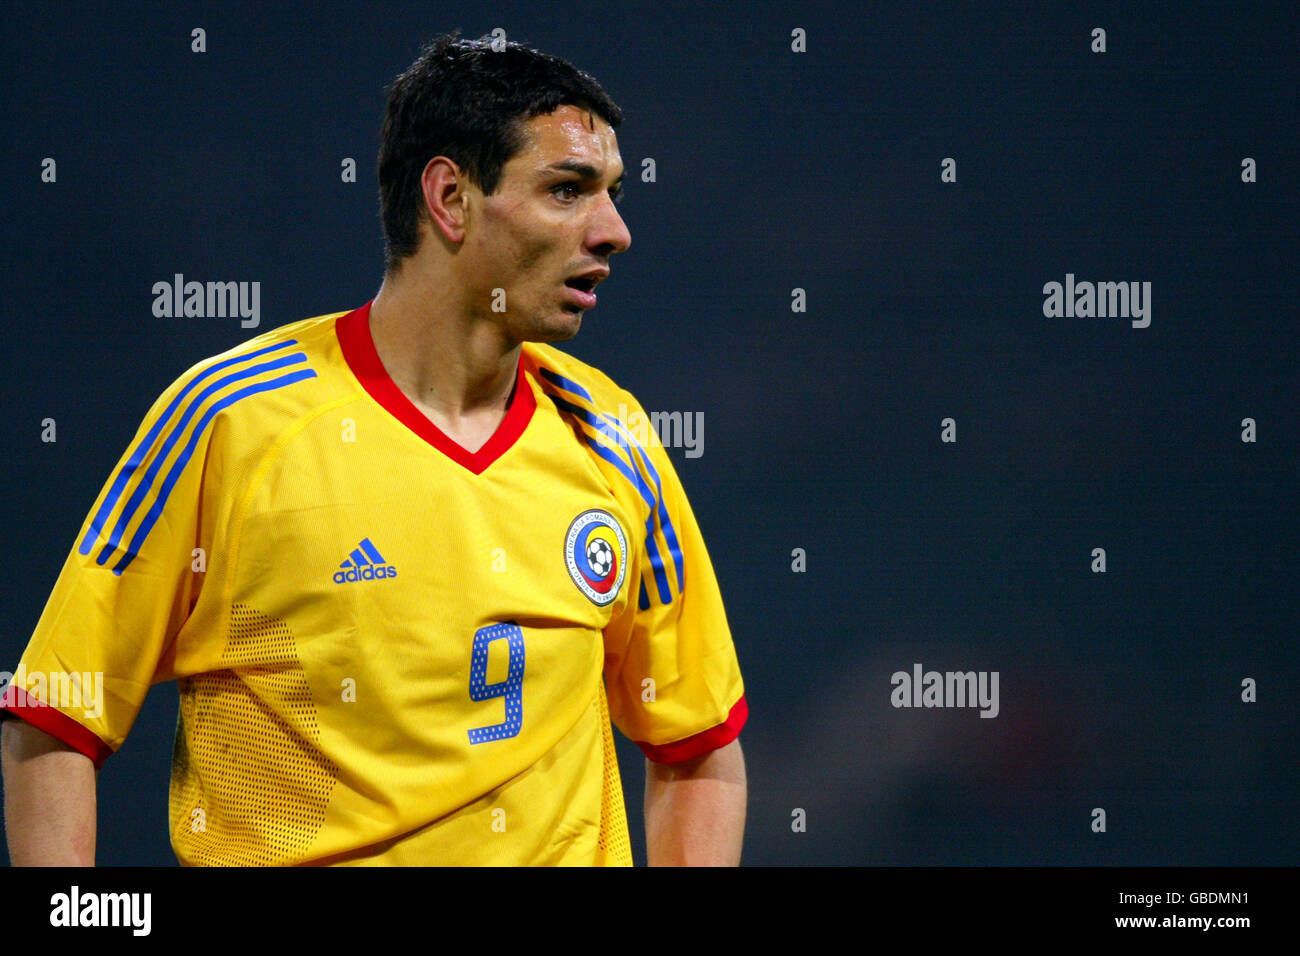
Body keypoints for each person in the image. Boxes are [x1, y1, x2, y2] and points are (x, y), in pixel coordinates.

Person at [0, 31, 747, 866]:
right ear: (450, 198)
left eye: (610, 193)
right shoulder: (231, 422)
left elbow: (699, 748)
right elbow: (56, 716)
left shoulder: (614, 438)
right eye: (568, 190)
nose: (614, 231)